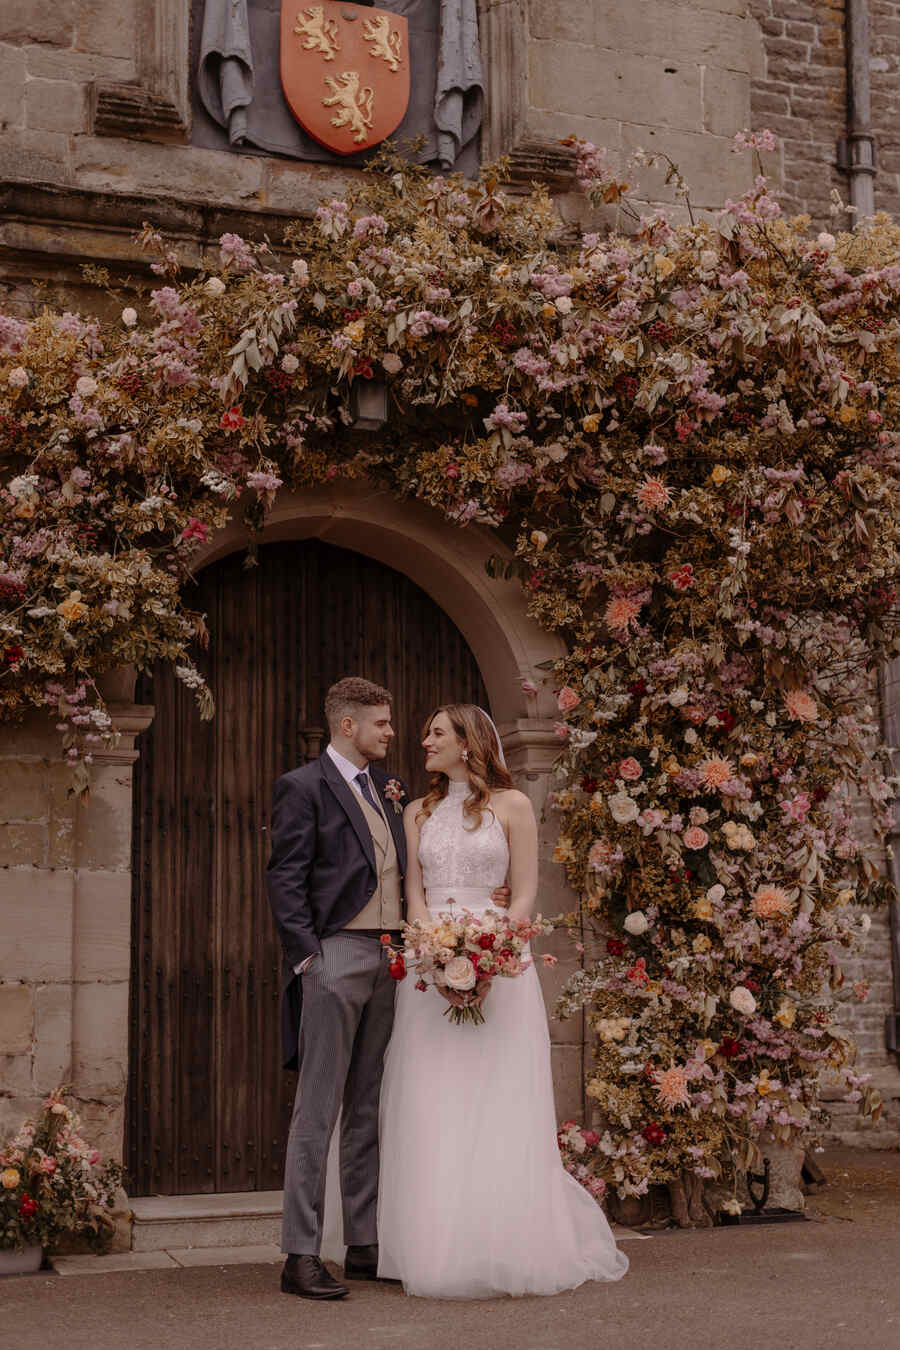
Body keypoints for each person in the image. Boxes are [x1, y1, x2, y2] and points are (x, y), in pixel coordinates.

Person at [267, 678, 508, 1301]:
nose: (392, 733)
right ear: (348, 726)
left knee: (369, 1104)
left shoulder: (388, 789)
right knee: (317, 1108)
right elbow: (285, 879)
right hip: (337, 955)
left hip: (395, 957)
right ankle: (299, 1254)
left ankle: (364, 1243)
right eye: (382, 723)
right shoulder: (302, 787)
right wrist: (309, 962)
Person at [376, 704, 629, 1298]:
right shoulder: (418, 810)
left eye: (436, 732)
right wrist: (432, 954)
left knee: (499, 1098)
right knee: (432, 1098)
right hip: (429, 966)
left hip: (501, 962)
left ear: (468, 742)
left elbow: (527, 890)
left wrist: (491, 952)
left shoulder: (513, 807)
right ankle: (432, 1244)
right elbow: (413, 892)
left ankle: (506, 1239)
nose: (424, 740)